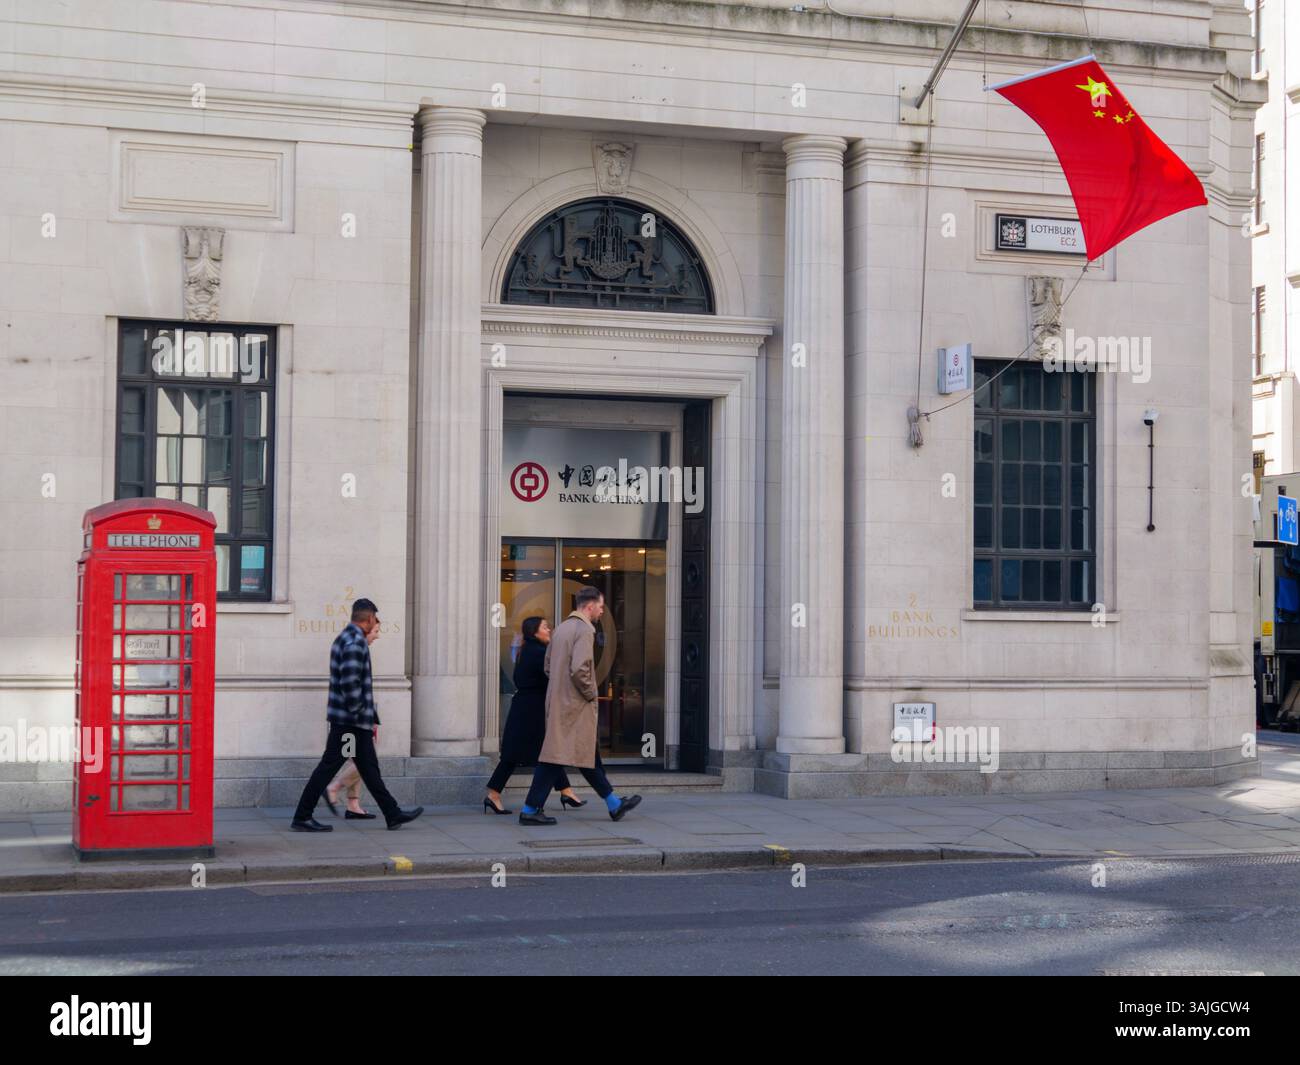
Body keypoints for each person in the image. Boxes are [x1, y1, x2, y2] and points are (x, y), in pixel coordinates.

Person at [290, 598, 423, 832]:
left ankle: (392, 814)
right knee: (329, 767)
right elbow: (351, 685)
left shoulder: (346, 638)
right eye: (375, 621)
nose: (376, 630)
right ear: (369, 619)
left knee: (369, 769)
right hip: (350, 723)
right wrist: (362, 713)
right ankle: (302, 816)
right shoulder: (355, 643)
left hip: (351, 722)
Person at [518, 586, 642, 826]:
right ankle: (530, 809)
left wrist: (559, 686)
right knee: (556, 757)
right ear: (589, 606)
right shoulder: (585, 629)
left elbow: (547, 666)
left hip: (559, 702)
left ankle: (614, 804)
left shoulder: (562, 628)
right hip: (575, 704)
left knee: (586, 755)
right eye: (600, 606)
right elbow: (580, 669)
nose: (602, 611)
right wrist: (591, 693)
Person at [483, 617, 585, 815]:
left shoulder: (527, 650)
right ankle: (495, 795)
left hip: (527, 708)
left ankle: (566, 791)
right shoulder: (538, 653)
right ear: (535, 631)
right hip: (532, 710)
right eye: (546, 627)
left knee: (529, 754)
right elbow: (554, 678)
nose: (550, 630)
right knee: (545, 753)